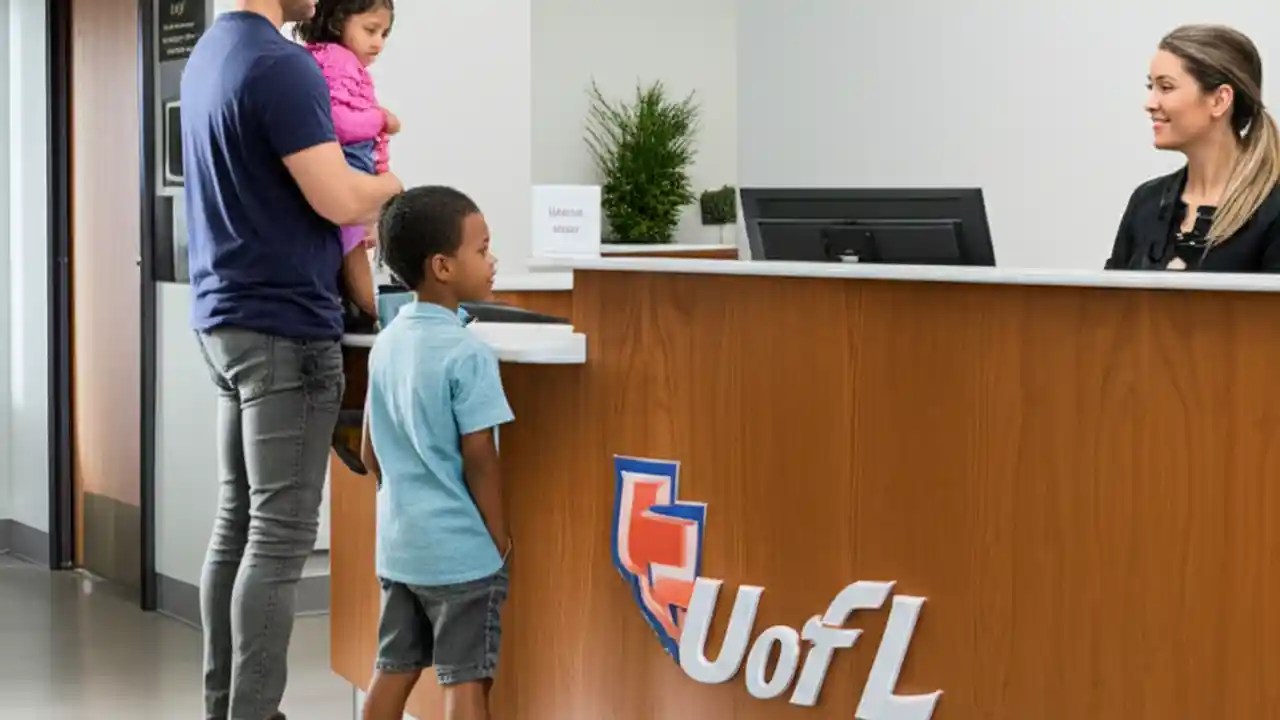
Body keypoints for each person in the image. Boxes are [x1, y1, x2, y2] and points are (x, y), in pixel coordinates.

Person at [180, 1, 403, 717]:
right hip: (284, 329)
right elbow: (339, 198)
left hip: (224, 320)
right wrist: (396, 192)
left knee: (237, 526)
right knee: (278, 538)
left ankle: (224, 706)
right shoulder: (283, 67)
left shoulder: (211, 55)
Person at [358, 186, 513, 720]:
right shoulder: (469, 352)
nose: (492, 262)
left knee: (393, 669)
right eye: (483, 249)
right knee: (466, 681)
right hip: (460, 553)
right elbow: (480, 456)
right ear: (443, 266)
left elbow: (369, 452)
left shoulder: (388, 342)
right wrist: (497, 535)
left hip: (400, 549)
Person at [1107, 24, 1280, 271]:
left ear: (1220, 100)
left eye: (1166, 87)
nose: (1150, 103)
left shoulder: (1272, 210)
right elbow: (1110, 305)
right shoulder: (1146, 202)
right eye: (1151, 87)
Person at [294, 0, 399, 323]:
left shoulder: (341, 62)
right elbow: (338, 122)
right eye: (370, 30)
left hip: (358, 163)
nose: (378, 43)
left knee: (358, 246)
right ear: (339, 22)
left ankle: (369, 308)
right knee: (354, 247)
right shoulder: (336, 60)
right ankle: (373, 311)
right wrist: (380, 119)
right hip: (348, 165)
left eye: (384, 33)